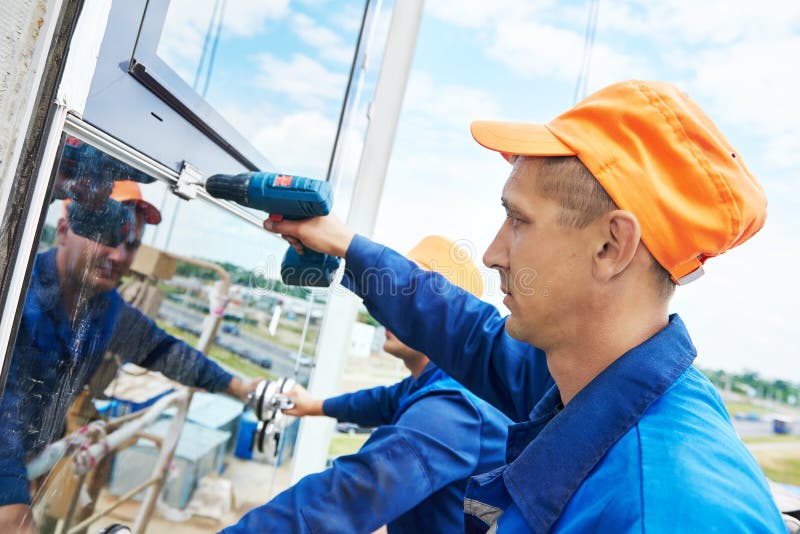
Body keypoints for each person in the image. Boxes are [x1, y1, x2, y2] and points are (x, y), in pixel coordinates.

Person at [259, 80, 785, 532]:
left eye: (518, 220)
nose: (491, 255)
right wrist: (345, 247)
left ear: (611, 246)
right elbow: (469, 332)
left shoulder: (660, 514)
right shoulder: (600, 386)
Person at [0, 180, 258, 532]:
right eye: (105, 235)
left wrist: (240, 388)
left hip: (30, 466)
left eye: (131, 243)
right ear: (63, 231)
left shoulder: (105, 308)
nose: (119, 255)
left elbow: (165, 351)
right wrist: (11, 500)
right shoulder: (16, 297)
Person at [224, 236, 513, 534]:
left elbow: (343, 500)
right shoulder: (434, 382)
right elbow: (382, 401)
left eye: (408, 300)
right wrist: (313, 406)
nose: (392, 309)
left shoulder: (453, 411)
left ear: (437, 318)